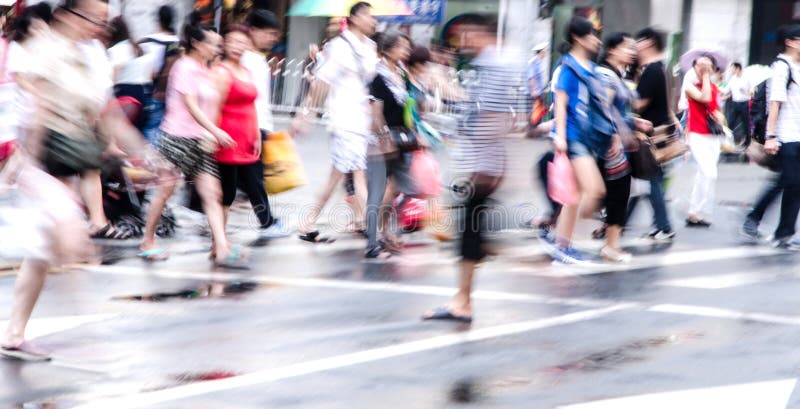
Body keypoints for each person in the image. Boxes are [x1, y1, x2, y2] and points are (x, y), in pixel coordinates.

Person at [422, 15, 515, 322]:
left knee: (469, 234)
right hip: (485, 162)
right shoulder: (496, 63)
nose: (462, 42)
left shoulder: (492, 66)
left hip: (480, 164)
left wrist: (479, 163)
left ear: (481, 33)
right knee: (474, 232)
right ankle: (464, 295)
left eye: (466, 35)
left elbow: (489, 116)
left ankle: (462, 301)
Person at [138, 15, 246, 268]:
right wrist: (215, 131)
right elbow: (191, 105)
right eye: (213, 44)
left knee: (212, 194)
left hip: (199, 142)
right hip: (176, 138)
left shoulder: (206, 70)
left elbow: (211, 106)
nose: (217, 49)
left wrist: (212, 131)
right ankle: (147, 241)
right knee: (165, 191)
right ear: (198, 44)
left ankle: (221, 247)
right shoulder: (184, 66)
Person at [293, 2, 378, 243]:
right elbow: (321, 82)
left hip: (362, 121)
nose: (373, 21)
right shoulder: (339, 47)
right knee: (351, 174)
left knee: (346, 174)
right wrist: (306, 114)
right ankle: (368, 228)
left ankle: (316, 221)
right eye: (369, 16)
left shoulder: (371, 47)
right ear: (354, 18)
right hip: (343, 119)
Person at [545, 16, 616, 264]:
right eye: (590, 35)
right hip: (573, 136)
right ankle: (559, 238)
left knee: (573, 196)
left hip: (588, 137)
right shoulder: (569, 66)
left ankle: (561, 245)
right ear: (577, 37)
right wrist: (561, 136)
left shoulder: (592, 67)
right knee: (595, 191)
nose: (596, 41)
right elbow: (561, 103)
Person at [213, 24, 283, 240]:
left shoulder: (246, 70)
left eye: (241, 42)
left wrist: (257, 133)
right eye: (233, 41)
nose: (237, 47)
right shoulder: (220, 71)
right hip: (227, 139)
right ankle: (219, 240)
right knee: (227, 193)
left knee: (250, 182)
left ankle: (222, 237)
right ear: (224, 43)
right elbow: (214, 108)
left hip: (248, 137)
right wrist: (215, 133)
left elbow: (253, 105)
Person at [594, 32, 648, 263]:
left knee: (619, 192)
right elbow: (604, 107)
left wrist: (634, 122)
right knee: (615, 192)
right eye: (627, 47)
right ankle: (610, 246)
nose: (632, 51)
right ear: (612, 50)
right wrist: (615, 134)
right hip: (608, 144)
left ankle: (611, 245)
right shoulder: (606, 74)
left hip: (615, 142)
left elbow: (617, 110)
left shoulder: (618, 74)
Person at [238, 9, 288, 238]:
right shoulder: (245, 59)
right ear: (253, 30)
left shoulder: (257, 58)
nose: (273, 39)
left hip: (258, 126)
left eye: (275, 34)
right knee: (254, 178)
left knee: (250, 178)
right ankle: (267, 221)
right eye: (269, 33)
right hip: (250, 126)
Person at [365, 31, 413, 259]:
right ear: (388, 49)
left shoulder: (401, 74)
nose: (406, 51)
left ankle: (383, 233)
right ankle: (372, 243)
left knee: (396, 189)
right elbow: (376, 112)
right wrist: (385, 138)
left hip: (400, 138)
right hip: (382, 141)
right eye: (402, 47)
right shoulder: (378, 76)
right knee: (379, 191)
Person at [630, 27, 679, 241]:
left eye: (638, 42)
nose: (635, 47)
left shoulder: (651, 71)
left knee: (651, 180)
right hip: (661, 132)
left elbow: (639, 104)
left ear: (649, 42)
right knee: (650, 180)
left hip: (651, 135)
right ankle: (622, 221)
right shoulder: (663, 69)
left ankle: (664, 226)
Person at [763, 24, 800, 250]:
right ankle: (782, 232)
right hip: (785, 135)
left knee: (795, 185)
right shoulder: (781, 67)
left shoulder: (797, 67)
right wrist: (771, 136)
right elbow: (774, 103)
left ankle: (785, 232)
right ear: (791, 41)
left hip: (798, 134)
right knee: (792, 183)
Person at [685, 55, 723, 228]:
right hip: (697, 135)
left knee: (704, 173)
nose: (704, 68)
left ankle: (694, 211)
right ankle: (696, 208)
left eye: (708, 65)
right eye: (700, 65)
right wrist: (706, 77)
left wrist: (720, 118)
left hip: (713, 135)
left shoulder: (715, 87)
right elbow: (705, 98)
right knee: (709, 173)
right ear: (694, 68)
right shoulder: (690, 87)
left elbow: (716, 108)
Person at [139, 5, 180, 144]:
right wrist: (161, 90)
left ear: (159, 20)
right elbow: (170, 69)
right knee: (154, 129)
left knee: (144, 127)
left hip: (142, 89)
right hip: (161, 93)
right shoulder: (175, 43)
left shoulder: (146, 40)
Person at [107, 16, 155, 130]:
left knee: (121, 130)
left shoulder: (117, 49)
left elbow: (115, 72)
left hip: (124, 92)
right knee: (137, 130)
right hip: (142, 91)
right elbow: (151, 74)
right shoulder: (138, 48)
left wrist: (111, 94)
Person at [722, 62, 752, 146]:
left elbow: (752, 91)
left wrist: (746, 92)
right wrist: (719, 92)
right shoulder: (733, 79)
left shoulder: (747, 78)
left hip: (744, 103)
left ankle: (747, 140)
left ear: (738, 68)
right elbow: (726, 89)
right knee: (730, 122)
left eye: (733, 69)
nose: (731, 71)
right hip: (735, 103)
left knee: (745, 123)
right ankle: (728, 141)